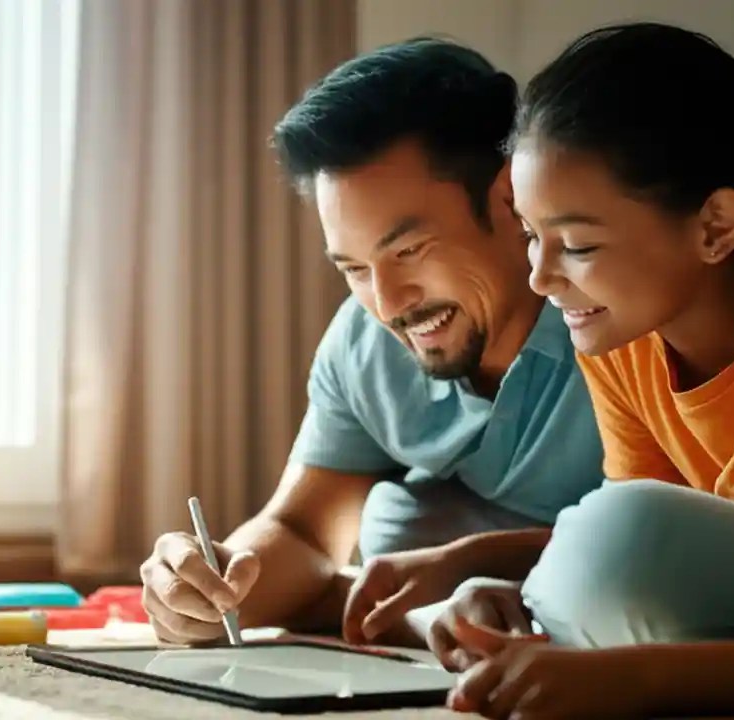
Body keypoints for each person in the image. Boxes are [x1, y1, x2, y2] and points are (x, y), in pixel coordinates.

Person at [422, 22, 734, 718]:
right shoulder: (620, 336)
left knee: (621, 533)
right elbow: (658, 556)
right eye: (531, 237)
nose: (539, 279)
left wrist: (634, 678)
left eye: (579, 245)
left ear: (715, 228)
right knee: (609, 538)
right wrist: (516, 594)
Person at [138, 38, 604, 646]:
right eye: (354, 269)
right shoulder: (364, 344)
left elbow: (690, 534)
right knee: (397, 525)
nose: (387, 305)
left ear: (510, 199)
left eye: (408, 250)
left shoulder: (615, 313)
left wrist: (471, 559)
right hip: (461, 628)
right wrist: (214, 585)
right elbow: (306, 532)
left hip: (627, 613)